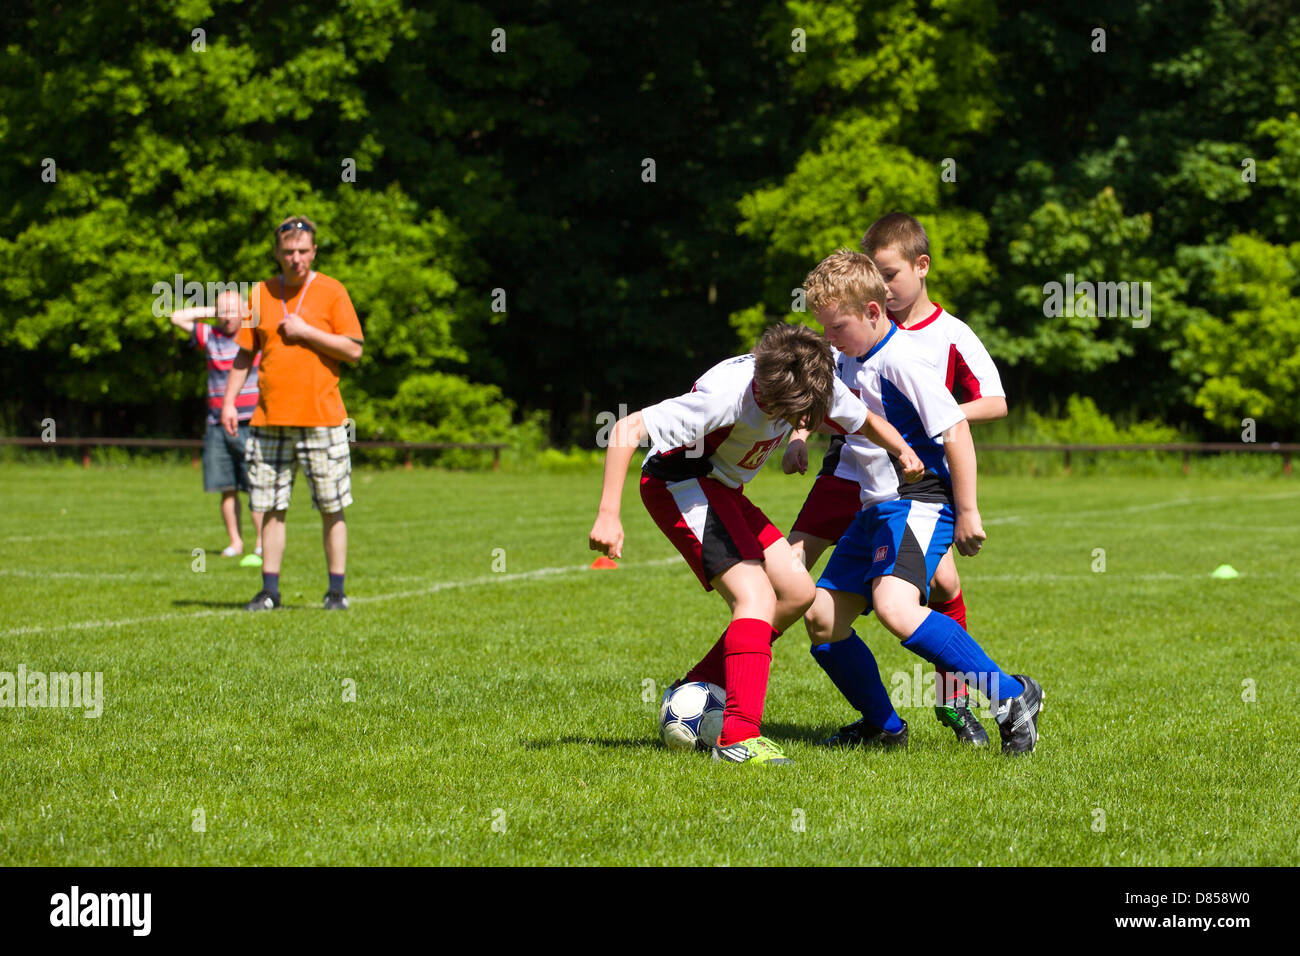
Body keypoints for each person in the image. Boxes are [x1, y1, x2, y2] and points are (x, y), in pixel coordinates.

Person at [588, 323, 924, 766]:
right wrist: (609, 514)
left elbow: (864, 420)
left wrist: (904, 452)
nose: (801, 424)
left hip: (724, 489)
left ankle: (699, 684)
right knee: (756, 595)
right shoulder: (724, 395)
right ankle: (738, 737)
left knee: (798, 591)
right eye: (796, 417)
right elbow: (627, 429)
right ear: (769, 394)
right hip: (680, 482)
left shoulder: (812, 377)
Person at [799, 250, 1041, 755]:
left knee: (895, 606)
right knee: (822, 616)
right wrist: (798, 432)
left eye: (836, 327)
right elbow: (834, 412)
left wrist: (969, 510)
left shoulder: (902, 360)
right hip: (874, 508)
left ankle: (1013, 697)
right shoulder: (852, 357)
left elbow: (956, 430)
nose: (829, 339)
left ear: (871, 312)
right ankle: (883, 728)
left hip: (919, 500)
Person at [220, 216, 364, 612]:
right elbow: (245, 354)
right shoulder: (260, 293)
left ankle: (336, 591)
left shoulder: (332, 291)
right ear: (277, 253)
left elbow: (353, 350)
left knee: (332, 505)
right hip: (270, 419)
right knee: (270, 505)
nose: (296, 258)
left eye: (303, 251)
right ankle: (270, 591)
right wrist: (230, 402)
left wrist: (306, 333)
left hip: (322, 417)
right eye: (288, 252)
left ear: (314, 251)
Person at [170, 290, 264, 565]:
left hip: (251, 421)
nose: (227, 317)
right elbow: (177, 316)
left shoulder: (253, 336)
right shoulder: (210, 336)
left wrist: (240, 311)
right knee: (226, 487)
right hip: (217, 423)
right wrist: (216, 309)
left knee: (257, 486)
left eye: (233, 311)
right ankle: (235, 542)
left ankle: (260, 544)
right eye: (223, 312)